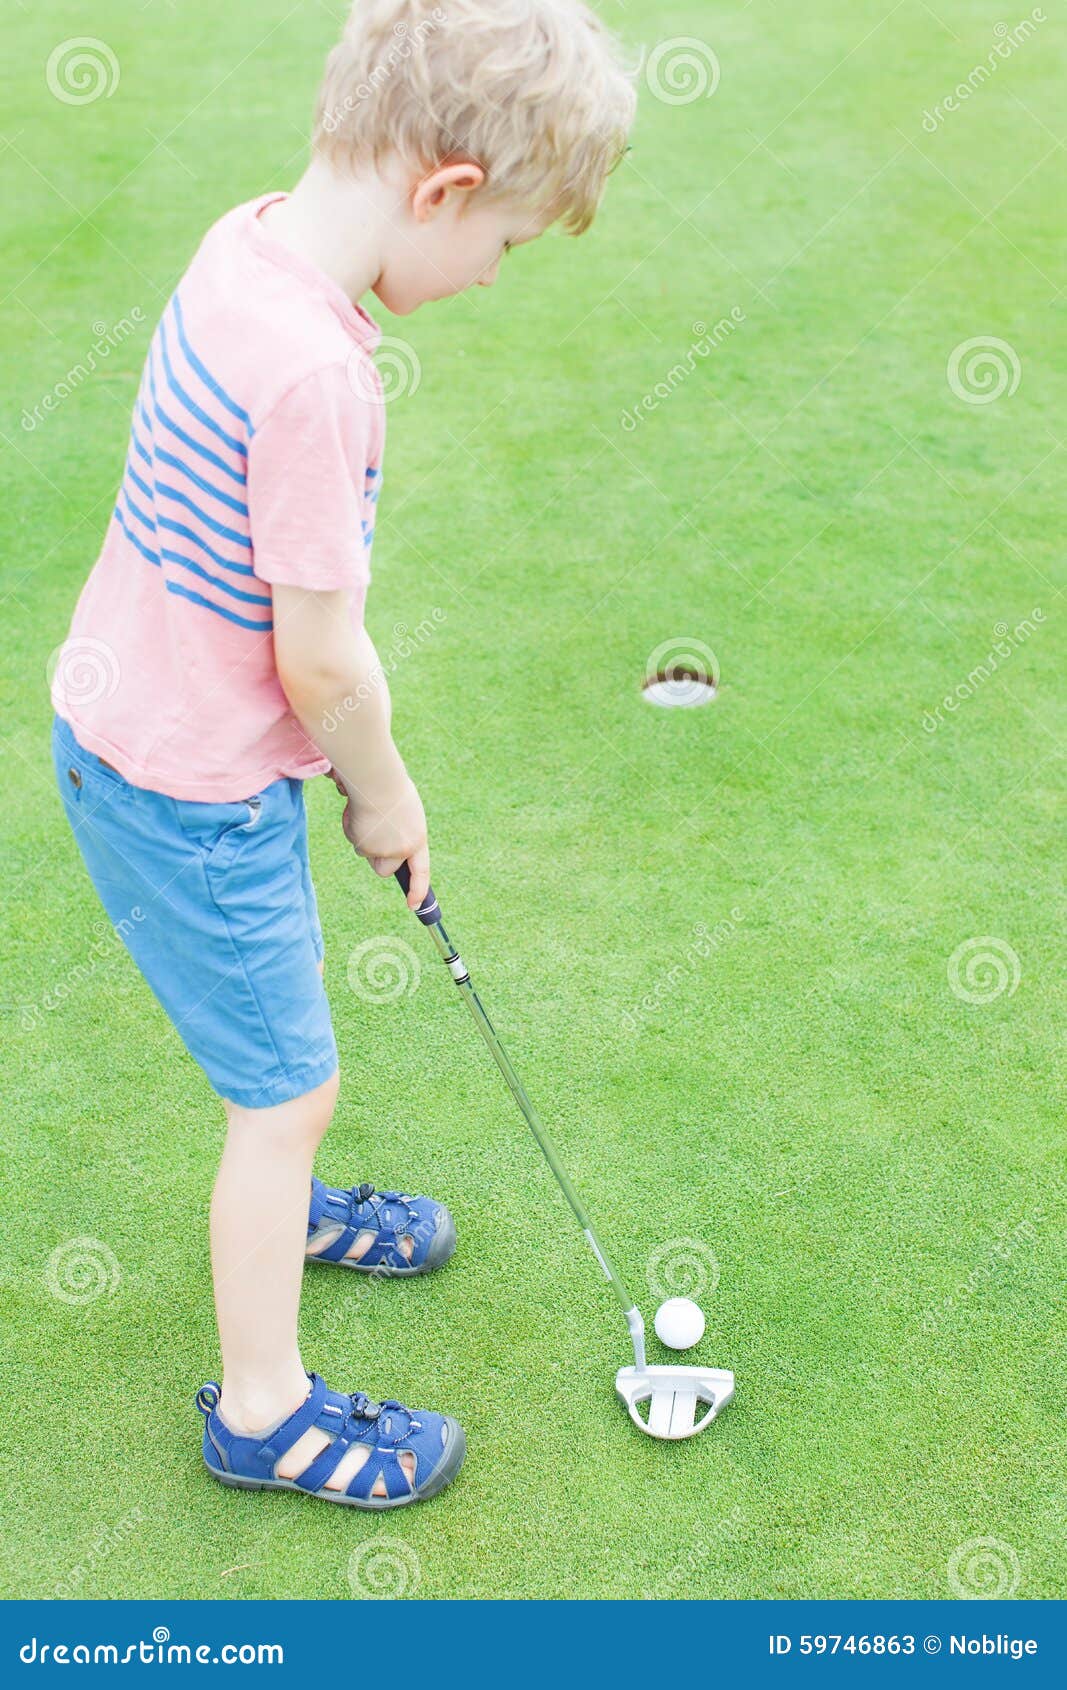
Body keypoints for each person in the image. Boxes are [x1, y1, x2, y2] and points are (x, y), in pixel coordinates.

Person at [51, 0, 635, 1510]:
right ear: (444, 189)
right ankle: (262, 1408)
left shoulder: (241, 241)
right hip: (192, 790)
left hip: (138, 733)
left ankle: (296, 1209)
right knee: (283, 1095)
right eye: (504, 244)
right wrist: (387, 791)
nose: (494, 275)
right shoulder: (321, 378)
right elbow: (322, 660)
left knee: (278, 1042)